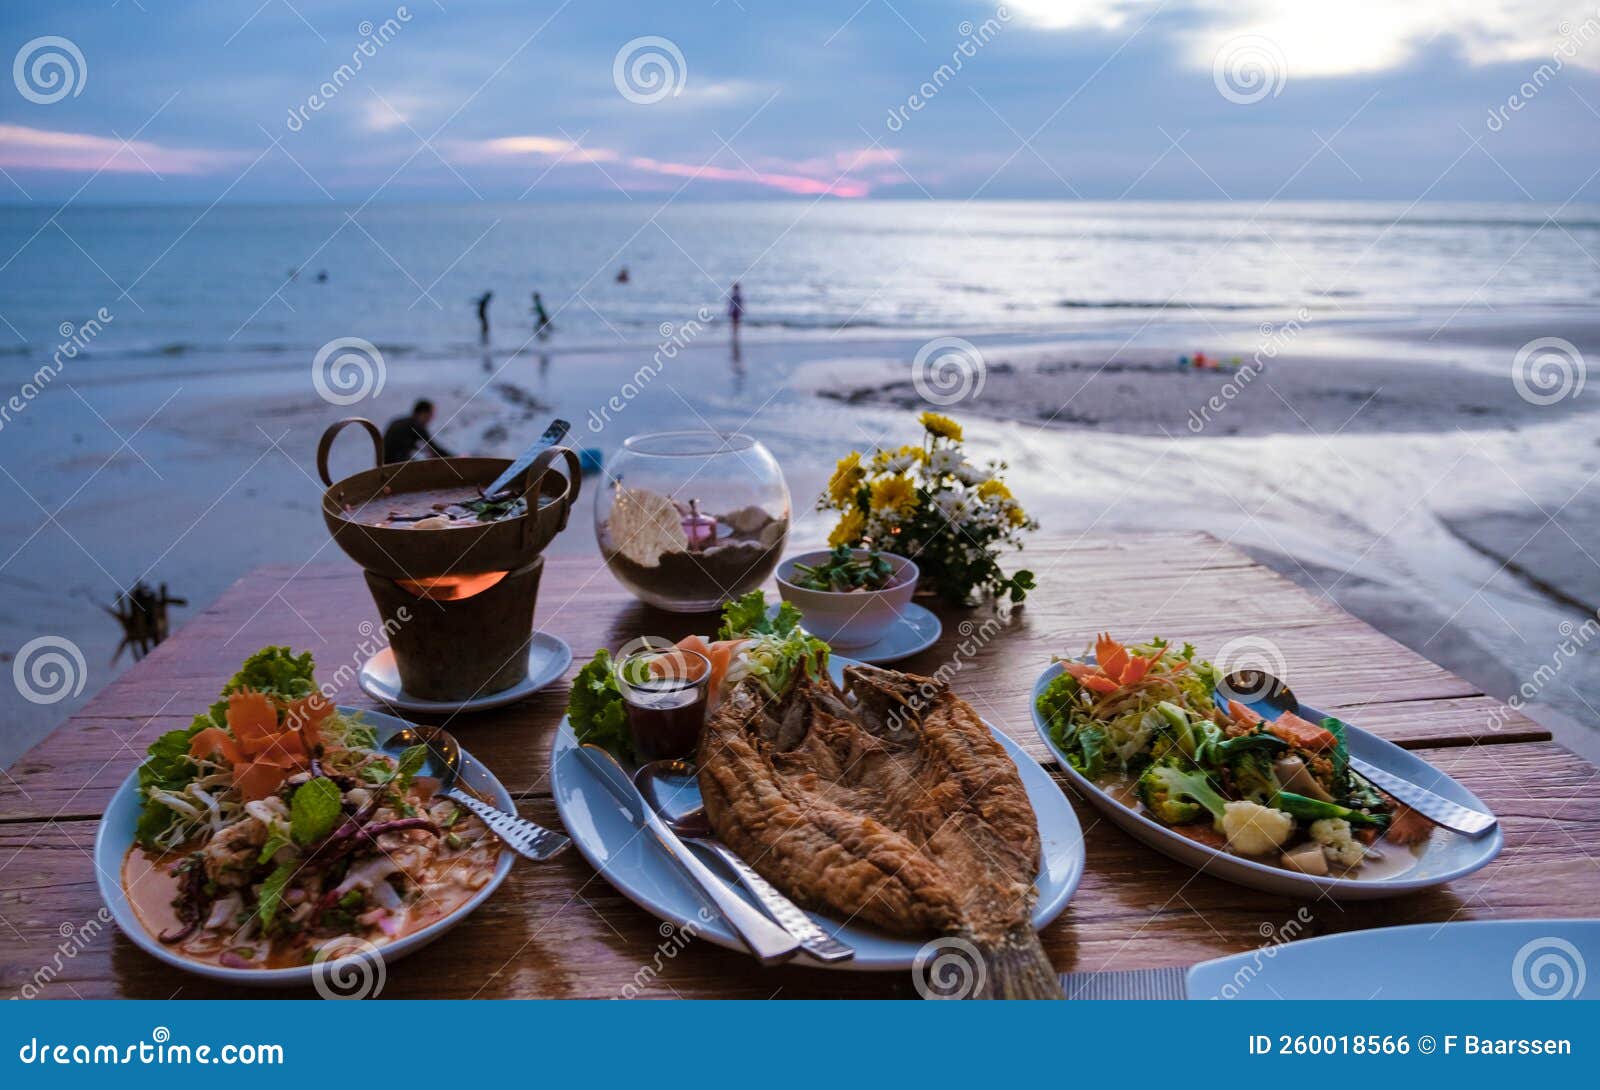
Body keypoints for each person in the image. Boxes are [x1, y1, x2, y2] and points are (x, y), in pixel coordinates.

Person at [383, 399, 454, 463]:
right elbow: (435, 449)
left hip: (386, 465)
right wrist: (456, 458)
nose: (431, 419)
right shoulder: (415, 425)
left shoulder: (401, 423)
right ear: (423, 413)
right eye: (430, 415)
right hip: (395, 466)